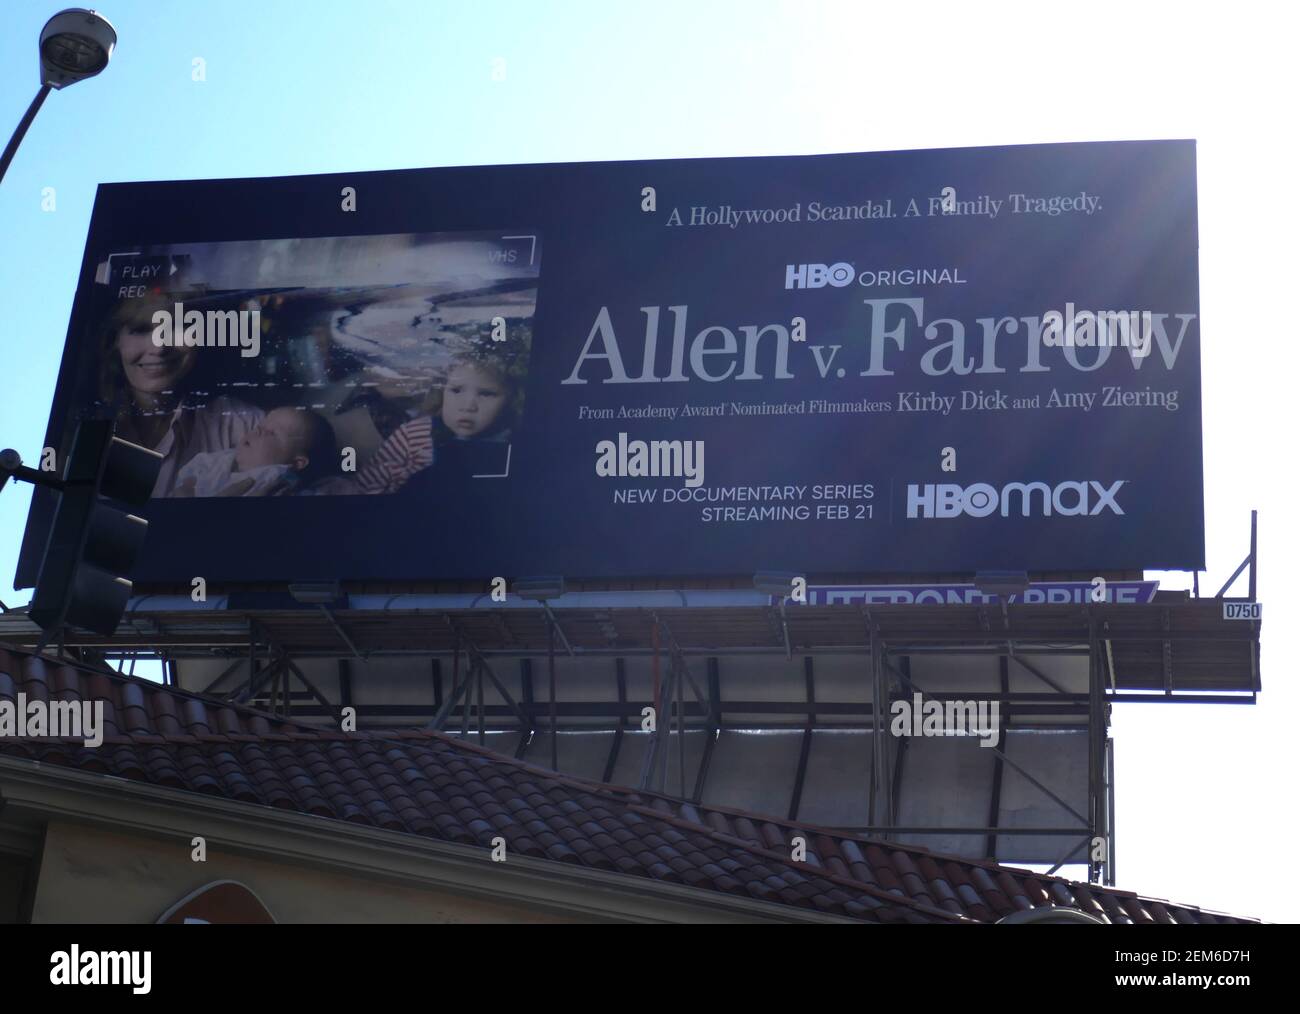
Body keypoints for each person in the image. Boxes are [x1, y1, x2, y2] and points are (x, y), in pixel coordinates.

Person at [95, 295, 264, 497]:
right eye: (140, 329)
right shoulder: (74, 430)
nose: (159, 348)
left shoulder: (247, 424)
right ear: (116, 342)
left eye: (175, 328)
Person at [356, 345, 522, 495]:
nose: (468, 406)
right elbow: (363, 485)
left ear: (510, 401)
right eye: (456, 390)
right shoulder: (413, 434)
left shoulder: (514, 443)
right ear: (442, 391)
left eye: (486, 393)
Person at [171, 406, 337, 497]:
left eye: (271, 433)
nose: (257, 431)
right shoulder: (218, 461)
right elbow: (188, 477)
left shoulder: (280, 481)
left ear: (296, 462)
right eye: (260, 426)